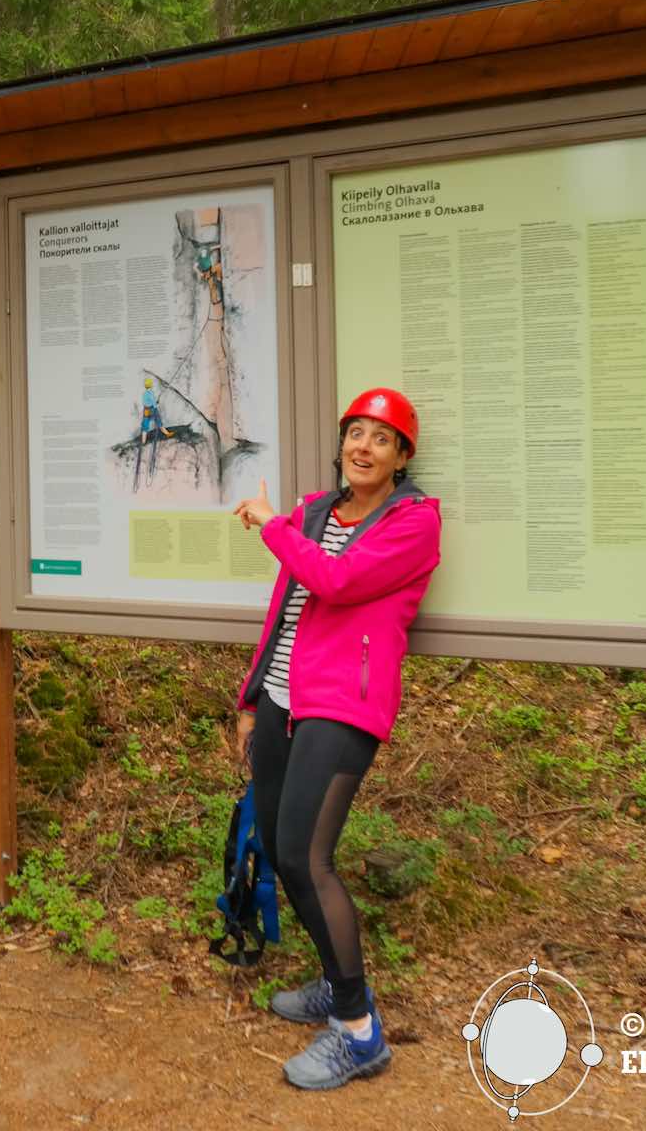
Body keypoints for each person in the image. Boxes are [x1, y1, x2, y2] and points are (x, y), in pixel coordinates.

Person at [228, 386, 441, 1090]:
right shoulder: (318, 510)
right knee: (287, 860)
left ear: (403, 456)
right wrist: (251, 698)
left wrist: (271, 525)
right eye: (356, 432)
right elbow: (286, 603)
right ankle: (334, 978)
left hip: (344, 704)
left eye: (382, 439)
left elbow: (338, 581)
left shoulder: (413, 524)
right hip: (284, 700)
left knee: (307, 857)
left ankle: (358, 1032)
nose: (363, 447)